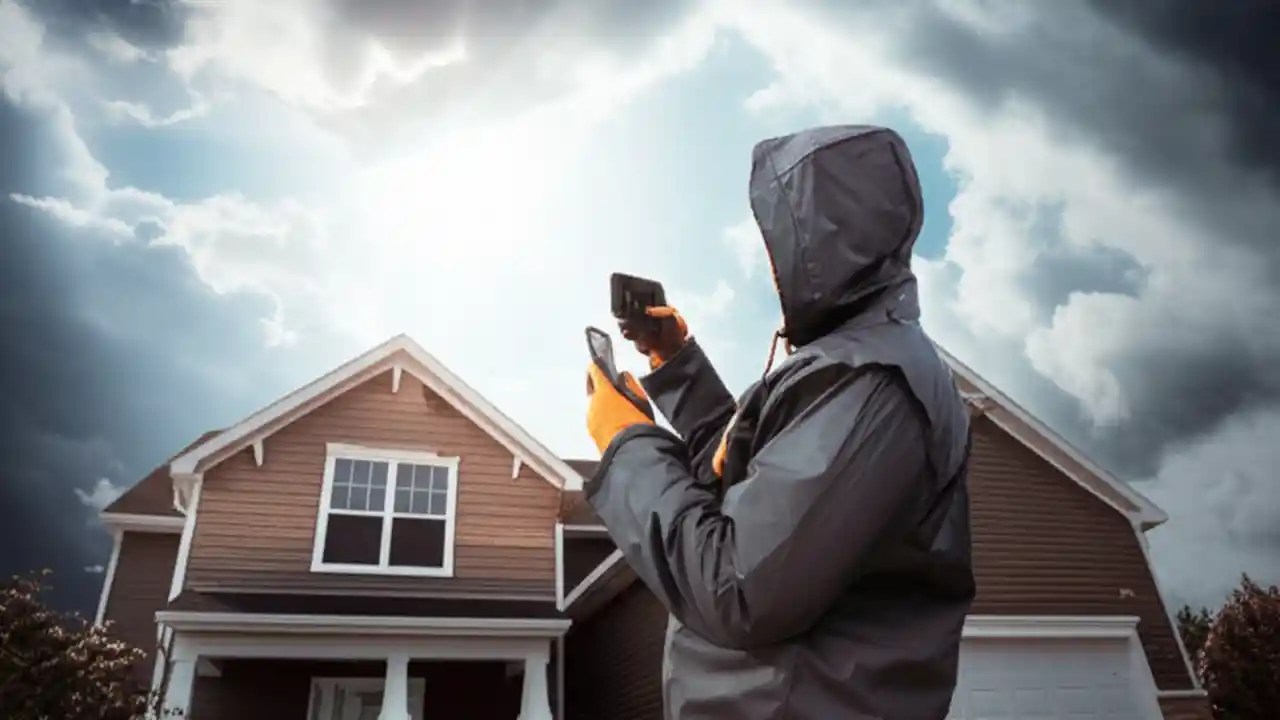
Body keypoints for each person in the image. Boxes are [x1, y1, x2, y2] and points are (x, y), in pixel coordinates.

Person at [583, 125, 976, 720]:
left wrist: (627, 444)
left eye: (779, 237)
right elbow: (752, 490)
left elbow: (737, 586)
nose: (771, 261)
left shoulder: (873, 383)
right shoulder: (849, 367)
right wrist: (675, 360)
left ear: (826, 242)